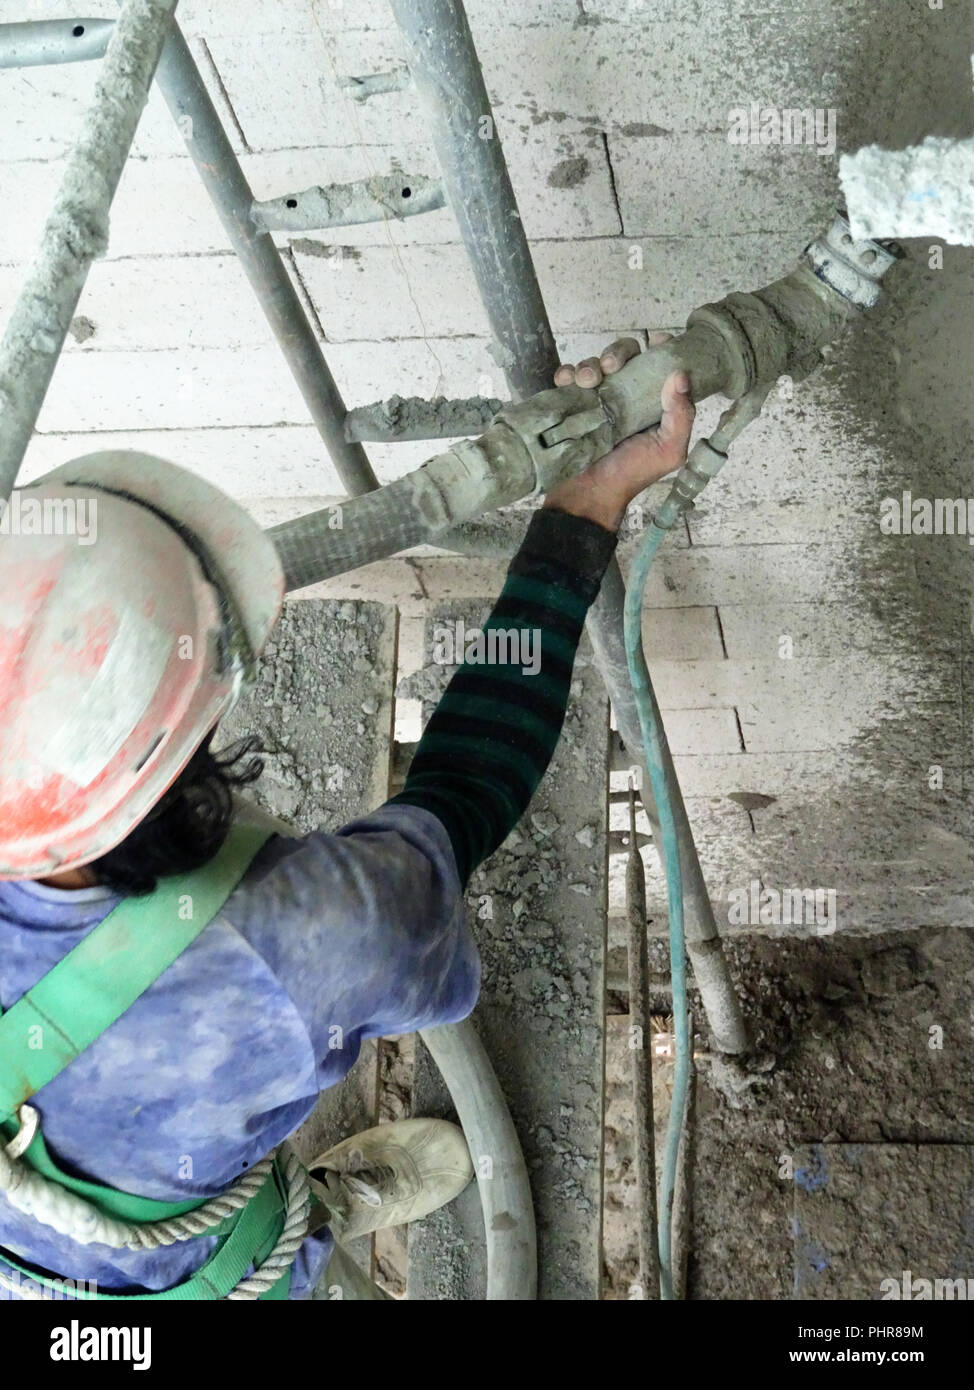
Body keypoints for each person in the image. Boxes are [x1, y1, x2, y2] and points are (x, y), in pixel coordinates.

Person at [0, 340, 693, 1300]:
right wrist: (577, 519)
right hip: (177, 1280)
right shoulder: (308, 940)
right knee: (254, 1251)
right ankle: (306, 1222)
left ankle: (304, 1204)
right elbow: (459, 796)